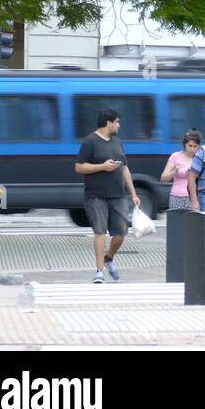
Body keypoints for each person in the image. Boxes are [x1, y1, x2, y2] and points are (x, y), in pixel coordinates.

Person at [74, 108, 141, 284]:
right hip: (96, 195)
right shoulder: (90, 141)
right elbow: (79, 167)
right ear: (108, 122)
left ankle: (109, 258)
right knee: (100, 232)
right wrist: (102, 167)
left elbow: (125, 168)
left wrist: (133, 193)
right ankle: (99, 271)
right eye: (117, 122)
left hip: (119, 195)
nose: (119, 125)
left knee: (121, 233)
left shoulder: (118, 142)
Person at [162, 129, 202, 210]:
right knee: (177, 221)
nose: (192, 149)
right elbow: (163, 178)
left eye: (195, 146)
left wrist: (194, 174)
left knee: (193, 222)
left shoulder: (199, 159)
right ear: (185, 145)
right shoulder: (175, 156)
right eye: (190, 146)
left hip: (193, 197)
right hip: (177, 196)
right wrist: (174, 172)